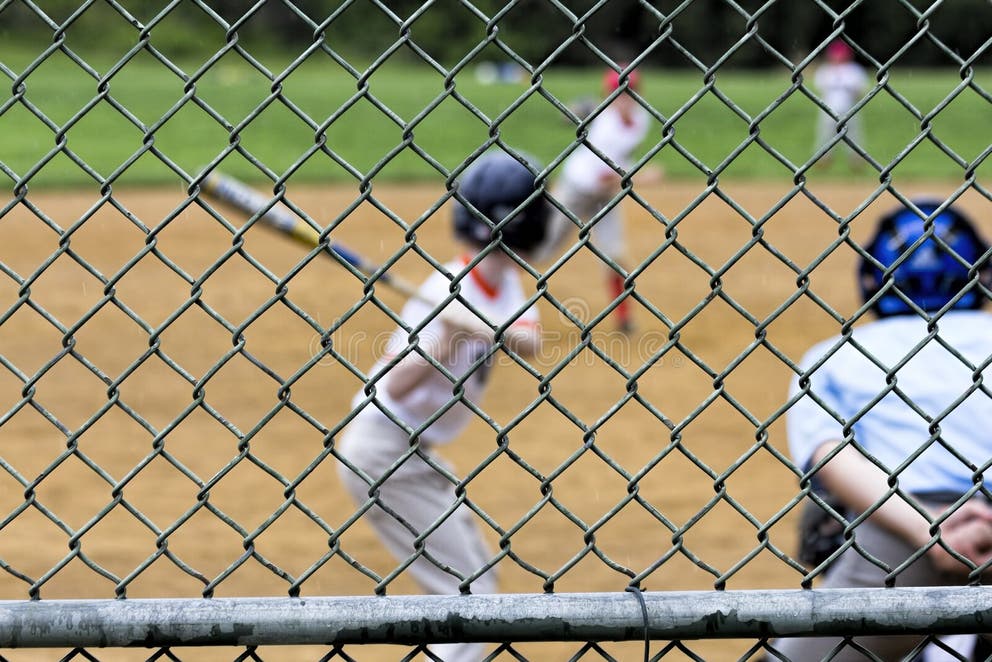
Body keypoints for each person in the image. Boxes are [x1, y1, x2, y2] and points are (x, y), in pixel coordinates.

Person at [335, 150, 551, 662]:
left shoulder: (505, 282)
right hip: (381, 451)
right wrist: (445, 341)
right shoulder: (440, 292)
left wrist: (484, 326)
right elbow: (391, 387)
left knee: (476, 586)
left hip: (414, 451)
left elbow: (531, 342)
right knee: (470, 600)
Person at [774, 199, 992, 660]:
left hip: (899, 540)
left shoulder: (837, 354)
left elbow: (830, 457)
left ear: (875, 277)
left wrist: (932, 531)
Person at [546, 64, 662, 334]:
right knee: (544, 247)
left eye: (630, 91)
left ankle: (623, 317)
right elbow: (605, 176)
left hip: (606, 196)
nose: (625, 97)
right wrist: (643, 176)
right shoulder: (605, 125)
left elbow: (618, 163)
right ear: (608, 96)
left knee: (615, 254)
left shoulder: (642, 119)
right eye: (617, 92)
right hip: (578, 189)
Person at [812, 38, 869, 171]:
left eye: (841, 54)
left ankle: (856, 160)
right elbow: (820, 88)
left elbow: (860, 90)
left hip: (850, 109)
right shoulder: (825, 70)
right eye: (836, 54)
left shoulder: (854, 70)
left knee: (854, 135)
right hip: (828, 109)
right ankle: (823, 159)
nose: (838, 57)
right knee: (825, 134)